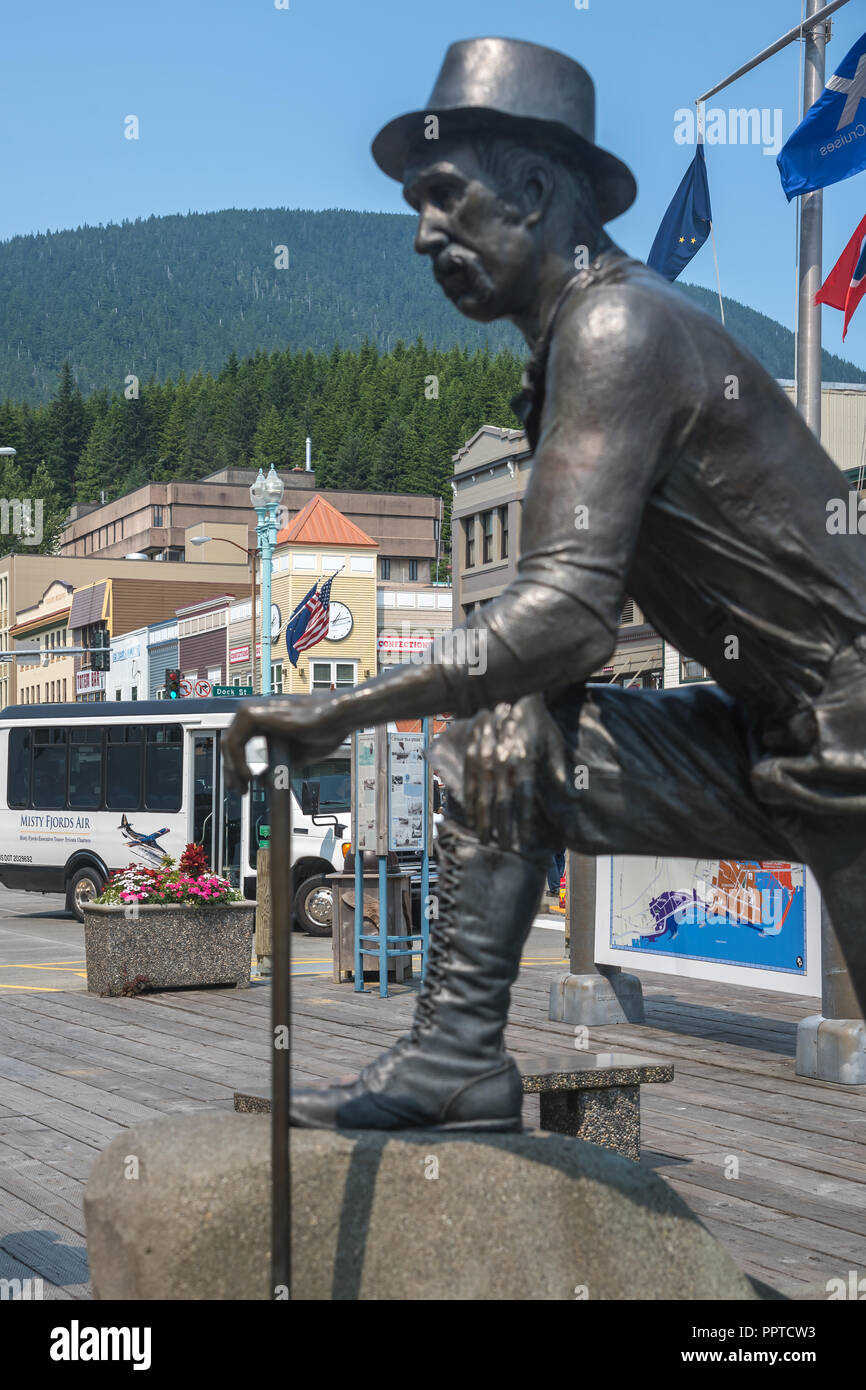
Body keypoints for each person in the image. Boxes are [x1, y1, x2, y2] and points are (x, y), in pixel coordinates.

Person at [223, 37, 866, 1132]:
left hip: (850, 738)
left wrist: (338, 707)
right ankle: (457, 1057)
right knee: (497, 739)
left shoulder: (619, 327)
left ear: (529, 191)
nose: (422, 232)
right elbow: (562, 621)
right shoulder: (574, 340)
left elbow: (566, 617)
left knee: (504, 710)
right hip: (777, 741)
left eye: (442, 196)